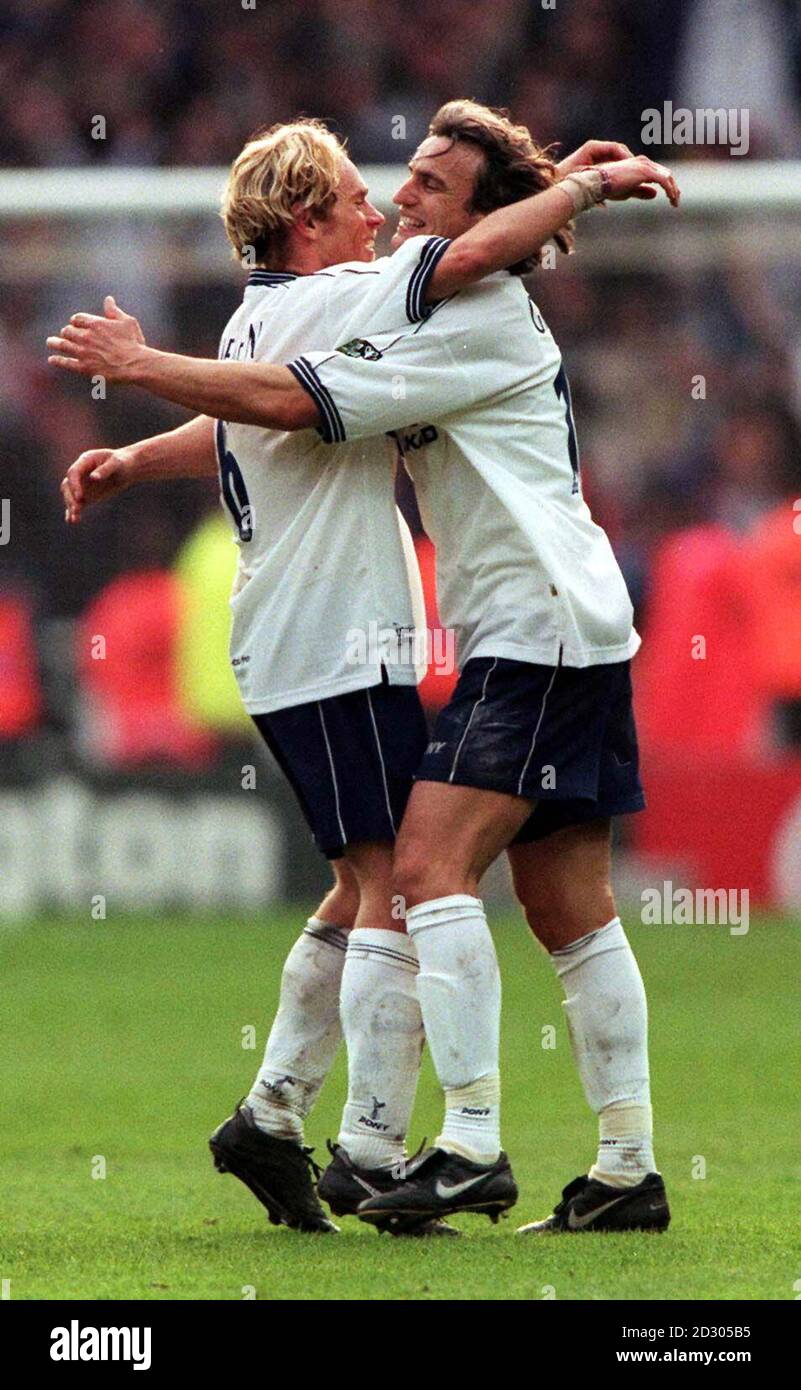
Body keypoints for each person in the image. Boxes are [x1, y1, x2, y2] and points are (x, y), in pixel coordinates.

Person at [51, 114, 669, 1233]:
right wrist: (146, 445)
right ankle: (582, 1160)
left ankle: (456, 1141)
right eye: (385, 186)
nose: (397, 203)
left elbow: (289, 398)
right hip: (512, 628)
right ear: (303, 221)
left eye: (430, 185)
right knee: (513, 898)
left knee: (432, 875)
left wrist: (140, 388)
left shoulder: (453, 309)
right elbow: (278, 409)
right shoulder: (374, 304)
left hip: (532, 628)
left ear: (481, 218)